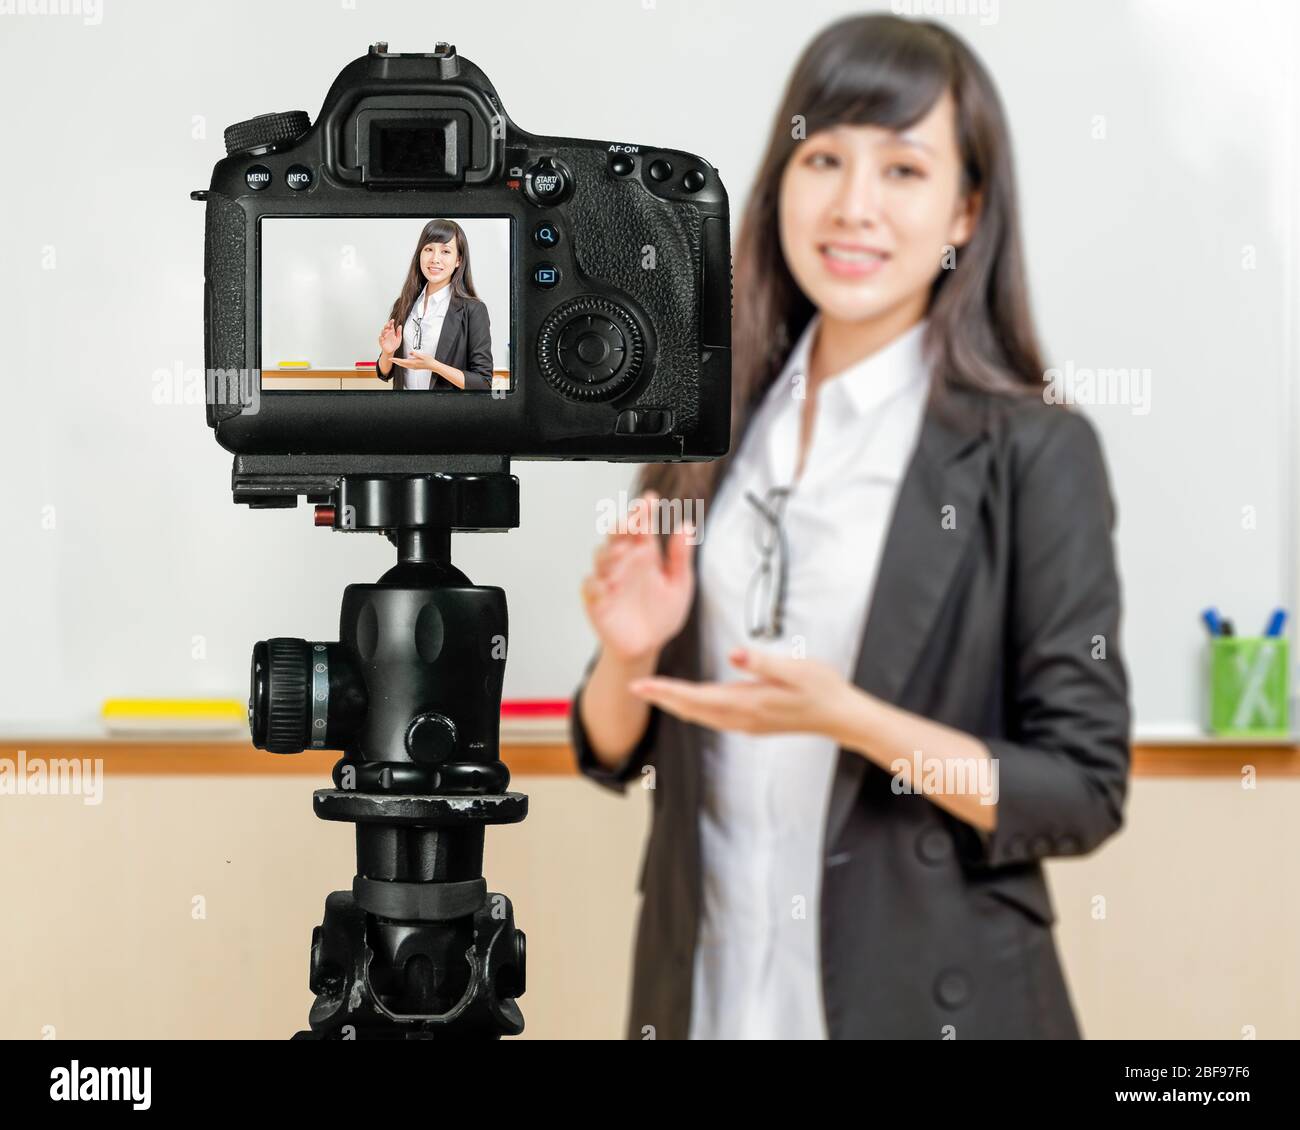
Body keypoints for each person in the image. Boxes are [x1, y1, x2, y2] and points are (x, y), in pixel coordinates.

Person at [571, 13, 1131, 1040]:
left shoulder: (1031, 451)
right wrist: (626, 653)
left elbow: (1081, 789)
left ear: (965, 209)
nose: (852, 205)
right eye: (823, 156)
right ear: (779, 182)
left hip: (927, 1001)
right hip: (710, 993)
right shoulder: (706, 420)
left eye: (903, 170)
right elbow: (615, 748)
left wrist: (851, 716)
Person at [377, 218, 494, 390]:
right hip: (404, 412)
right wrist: (388, 353)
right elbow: (385, 373)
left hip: (445, 413)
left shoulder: (473, 310)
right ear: (420, 255)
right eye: (429, 249)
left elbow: (483, 383)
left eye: (445, 251)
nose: (435, 259)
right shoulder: (403, 304)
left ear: (458, 260)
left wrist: (434, 366)